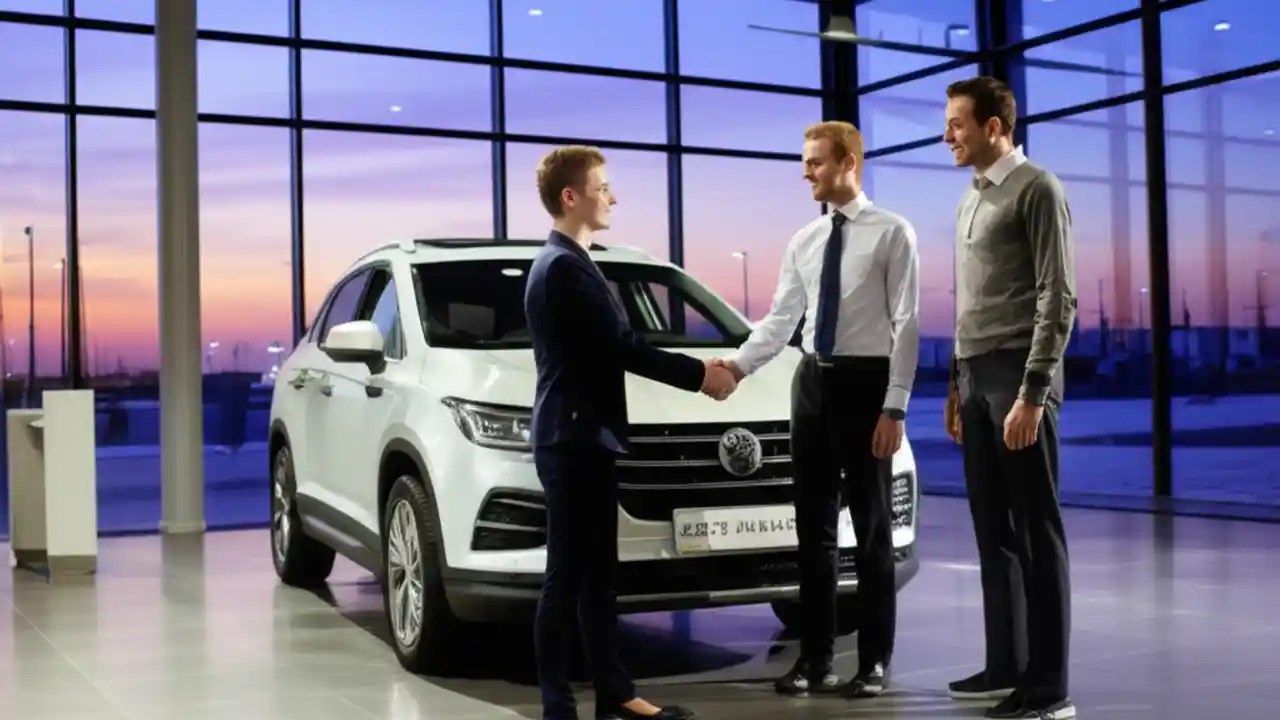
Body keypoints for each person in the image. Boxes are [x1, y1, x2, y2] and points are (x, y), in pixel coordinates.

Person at [524, 145, 734, 720]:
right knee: (566, 579)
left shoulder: (571, 261)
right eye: (603, 186)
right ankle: (557, 707)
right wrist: (701, 375)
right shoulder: (563, 268)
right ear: (572, 197)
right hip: (572, 442)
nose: (613, 196)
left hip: (584, 438)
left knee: (596, 579)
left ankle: (617, 696)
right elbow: (622, 348)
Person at [714, 121, 920, 699]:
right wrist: (736, 366)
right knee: (814, 531)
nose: (806, 172)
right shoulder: (804, 240)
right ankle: (816, 659)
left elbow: (906, 325)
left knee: (874, 530)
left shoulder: (892, 234)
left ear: (849, 161)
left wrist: (894, 406)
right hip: (812, 385)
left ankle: (874, 661)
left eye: (815, 162)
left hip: (867, 385)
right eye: (806, 162)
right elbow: (782, 320)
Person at [941, 76, 1077, 720]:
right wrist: (955, 381)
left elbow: (1059, 296)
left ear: (994, 127)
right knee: (992, 529)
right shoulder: (971, 197)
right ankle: (1006, 664)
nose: (949, 136)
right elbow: (968, 301)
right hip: (974, 378)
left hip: (1020, 379)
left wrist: (1033, 391)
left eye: (958, 124)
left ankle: (1049, 687)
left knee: (1036, 530)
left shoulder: (1039, 189)